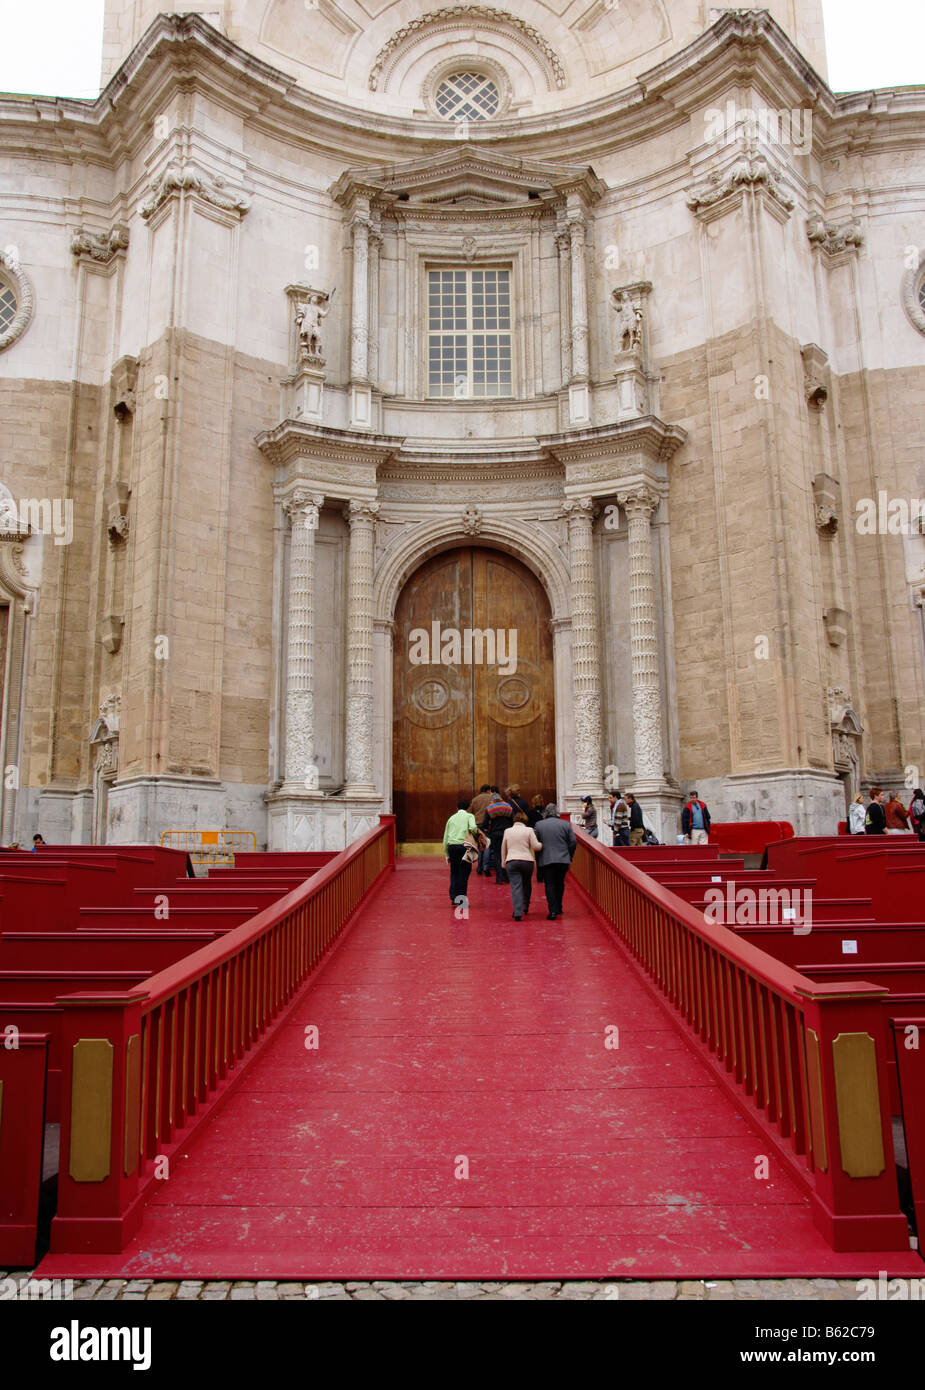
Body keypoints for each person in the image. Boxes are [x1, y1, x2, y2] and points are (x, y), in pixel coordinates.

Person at [533, 804, 577, 919]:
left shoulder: (539, 825)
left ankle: (552, 910)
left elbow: (536, 844)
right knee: (560, 882)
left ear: (546, 812)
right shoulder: (566, 824)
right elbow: (573, 842)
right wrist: (569, 855)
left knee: (550, 884)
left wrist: (538, 859)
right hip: (563, 859)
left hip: (547, 859)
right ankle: (559, 906)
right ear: (557, 812)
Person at [501, 811, 543, 920]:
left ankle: (517, 912)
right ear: (525, 820)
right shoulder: (529, 830)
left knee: (516, 886)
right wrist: (542, 844)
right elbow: (536, 847)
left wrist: (503, 861)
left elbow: (503, 847)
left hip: (512, 860)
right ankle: (525, 906)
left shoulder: (507, 831)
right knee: (526, 884)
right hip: (527, 861)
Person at [442, 799, 481, 906]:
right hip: (464, 846)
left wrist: (446, 854)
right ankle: (461, 898)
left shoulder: (451, 818)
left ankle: (454, 897)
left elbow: (445, 837)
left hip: (452, 846)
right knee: (464, 873)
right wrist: (475, 835)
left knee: (454, 872)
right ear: (469, 807)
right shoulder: (470, 816)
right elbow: (473, 827)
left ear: (457, 807)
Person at [485, 787, 515, 884]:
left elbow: (485, 822)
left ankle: (499, 878)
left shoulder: (490, 807)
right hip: (507, 833)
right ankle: (507, 878)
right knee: (506, 855)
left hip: (495, 833)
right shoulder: (508, 806)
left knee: (497, 855)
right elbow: (512, 820)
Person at [468, 785, 493, 873]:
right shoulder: (491, 798)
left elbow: (469, 812)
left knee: (479, 845)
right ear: (488, 790)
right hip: (488, 824)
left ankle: (479, 867)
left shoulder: (475, 799)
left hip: (477, 824)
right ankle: (486, 867)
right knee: (487, 845)